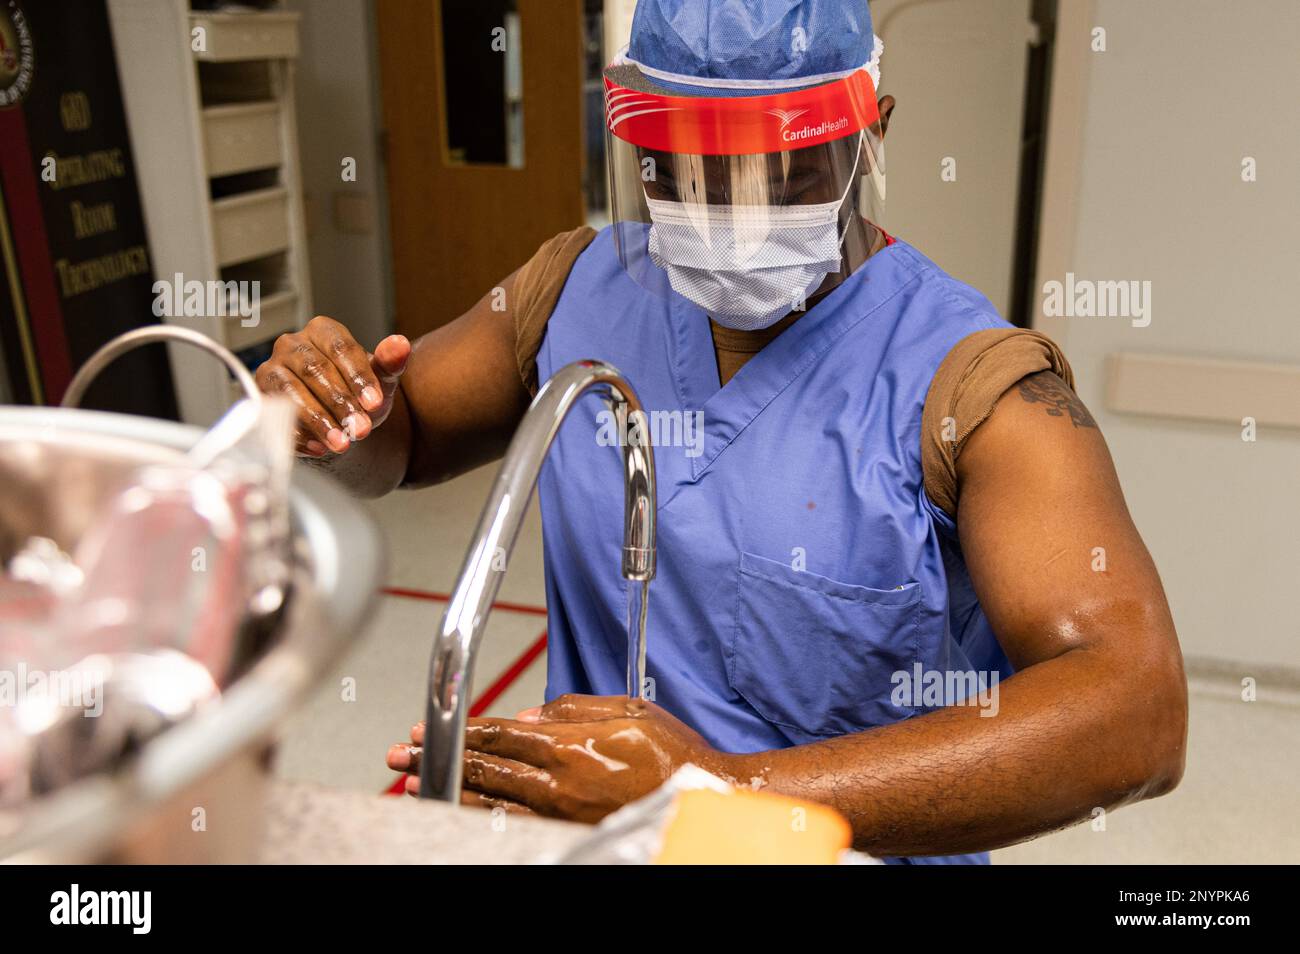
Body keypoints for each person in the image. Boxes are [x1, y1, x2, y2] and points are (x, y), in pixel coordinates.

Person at [257, 0, 1185, 863]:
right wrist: (331, 410)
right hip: (594, 837)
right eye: (682, 165)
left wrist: (719, 795)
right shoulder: (575, 290)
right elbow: (405, 438)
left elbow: (1132, 711)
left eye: (781, 166)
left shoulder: (978, 393)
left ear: (871, 132)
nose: (731, 209)